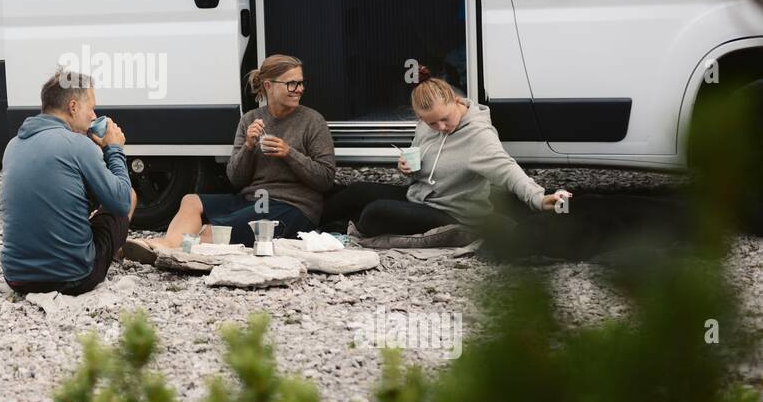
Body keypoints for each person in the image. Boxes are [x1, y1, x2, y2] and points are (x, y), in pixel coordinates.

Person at [322, 68, 569, 236]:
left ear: (456, 101)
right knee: (358, 191)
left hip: (455, 214)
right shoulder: (425, 127)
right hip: (419, 198)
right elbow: (419, 171)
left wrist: (537, 198)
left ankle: (342, 228)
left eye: (444, 119)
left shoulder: (478, 135)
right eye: (431, 123)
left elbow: (508, 169)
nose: (440, 127)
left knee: (376, 212)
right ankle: (305, 223)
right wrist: (407, 170)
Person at [129, 54, 337, 254]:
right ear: (268, 86)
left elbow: (326, 179)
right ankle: (167, 245)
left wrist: (289, 153)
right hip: (253, 200)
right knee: (191, 201)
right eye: (291, 84)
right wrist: (248, 146)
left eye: (300, 83)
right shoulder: (250, 119)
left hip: (292, 207)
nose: (299, 89)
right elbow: (236, 179)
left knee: (213, 233)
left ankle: (156, 247)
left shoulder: (312, 122)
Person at [0, 68, 138, 295]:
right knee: (129, 195)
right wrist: (114, 150)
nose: (94, 116)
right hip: (72, 279)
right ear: (73, 107)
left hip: (16, 278)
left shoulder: (13, 145)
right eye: (91, 108)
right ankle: (107, 255)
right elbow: (121, 202)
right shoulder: (78, 145)